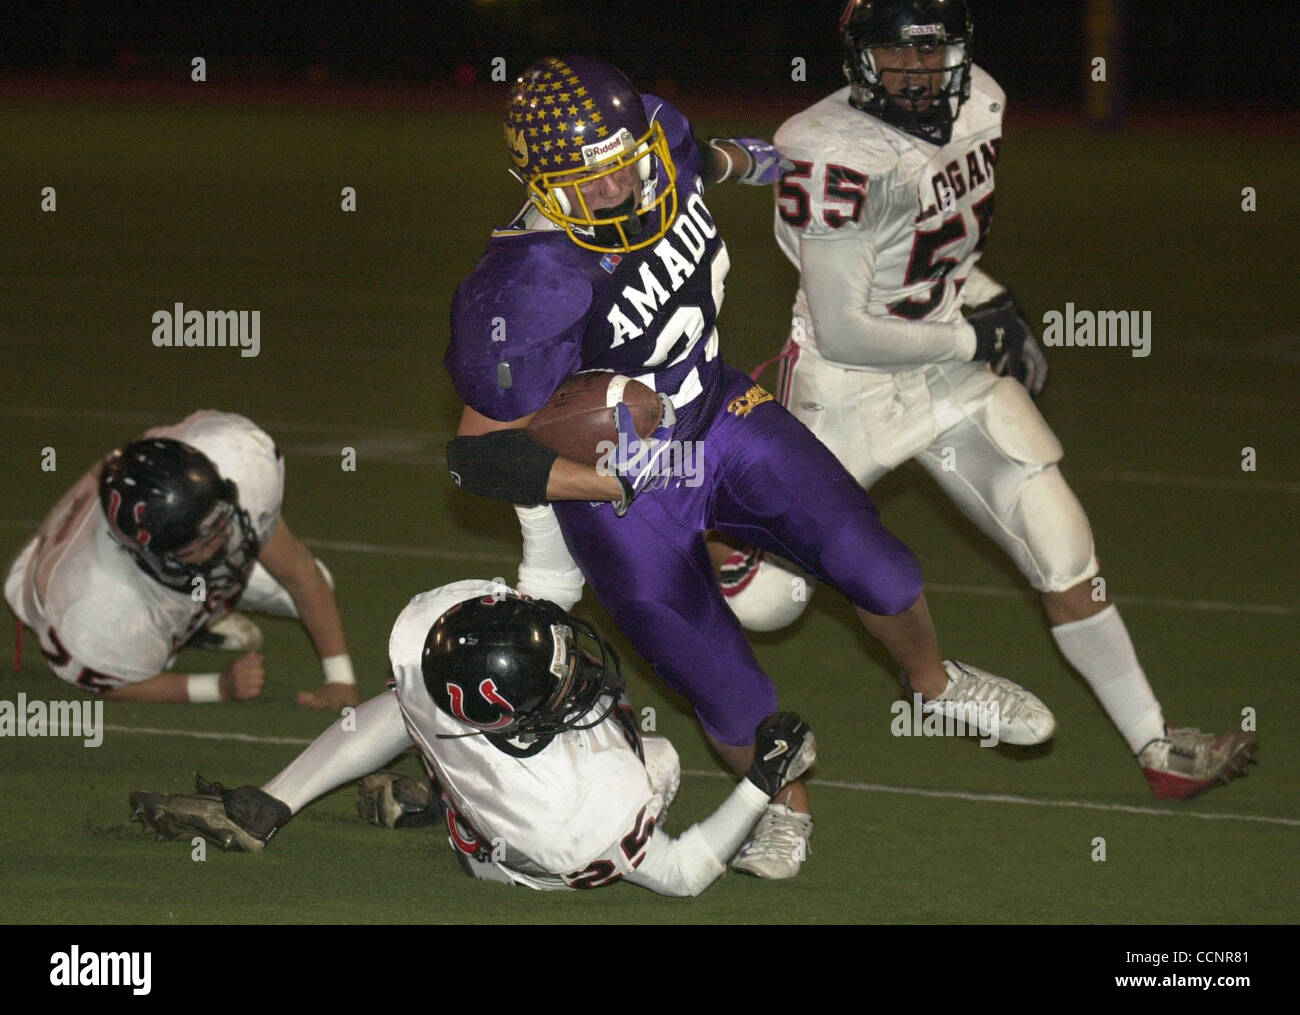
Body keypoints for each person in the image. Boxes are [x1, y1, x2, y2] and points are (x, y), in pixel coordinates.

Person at [441, 54, 1053, 879]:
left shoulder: (661, 138)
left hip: (718, 417)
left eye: (628, 169)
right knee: (724, 687)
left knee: (882, 567)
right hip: (624, 492)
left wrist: (766, 161)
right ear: (540, 183)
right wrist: (600, 480)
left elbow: (707, 155)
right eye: (590, 185)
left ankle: (935, 685)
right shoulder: (528, 282)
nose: (618, 193)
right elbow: (475, 453)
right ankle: (784, 806)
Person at [716, 0, 1257, 799]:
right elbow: (847, 326)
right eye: (895, 52)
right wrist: (979, 337)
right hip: (845, 384)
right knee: (769, 603)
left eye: (933, 50)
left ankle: (1155, 743)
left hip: (941, 362)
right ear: (858, 56)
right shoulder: (828, 149)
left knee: (1063, 542)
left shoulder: (982, 103)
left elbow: (937, 244)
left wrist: (988, 296)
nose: (916, 69)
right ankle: (707, 505)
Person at [130, 580, 817, 897]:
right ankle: (450, 807)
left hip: (474, 759)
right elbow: (682, 874)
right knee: (660, 758)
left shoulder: (431, 634)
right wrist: (760, 782)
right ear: (520, 720)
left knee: (411, 703)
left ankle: (276, 803)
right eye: (560, 677)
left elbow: (422, 689)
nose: (576, 669)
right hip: (524, 854)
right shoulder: (584, 806)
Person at [4, 410, 359, 708]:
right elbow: (109, 682)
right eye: (199, 546)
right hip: (62, 585)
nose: (221, 546)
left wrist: (340, 677)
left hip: (143, 544)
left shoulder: (236, 454)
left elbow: (300, 573)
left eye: (221, 524)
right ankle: (191, 625)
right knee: (142, 654)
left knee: (315, 585)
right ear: (146, 553)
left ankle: (202, 613)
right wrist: (218, 687)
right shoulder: (96, 613)